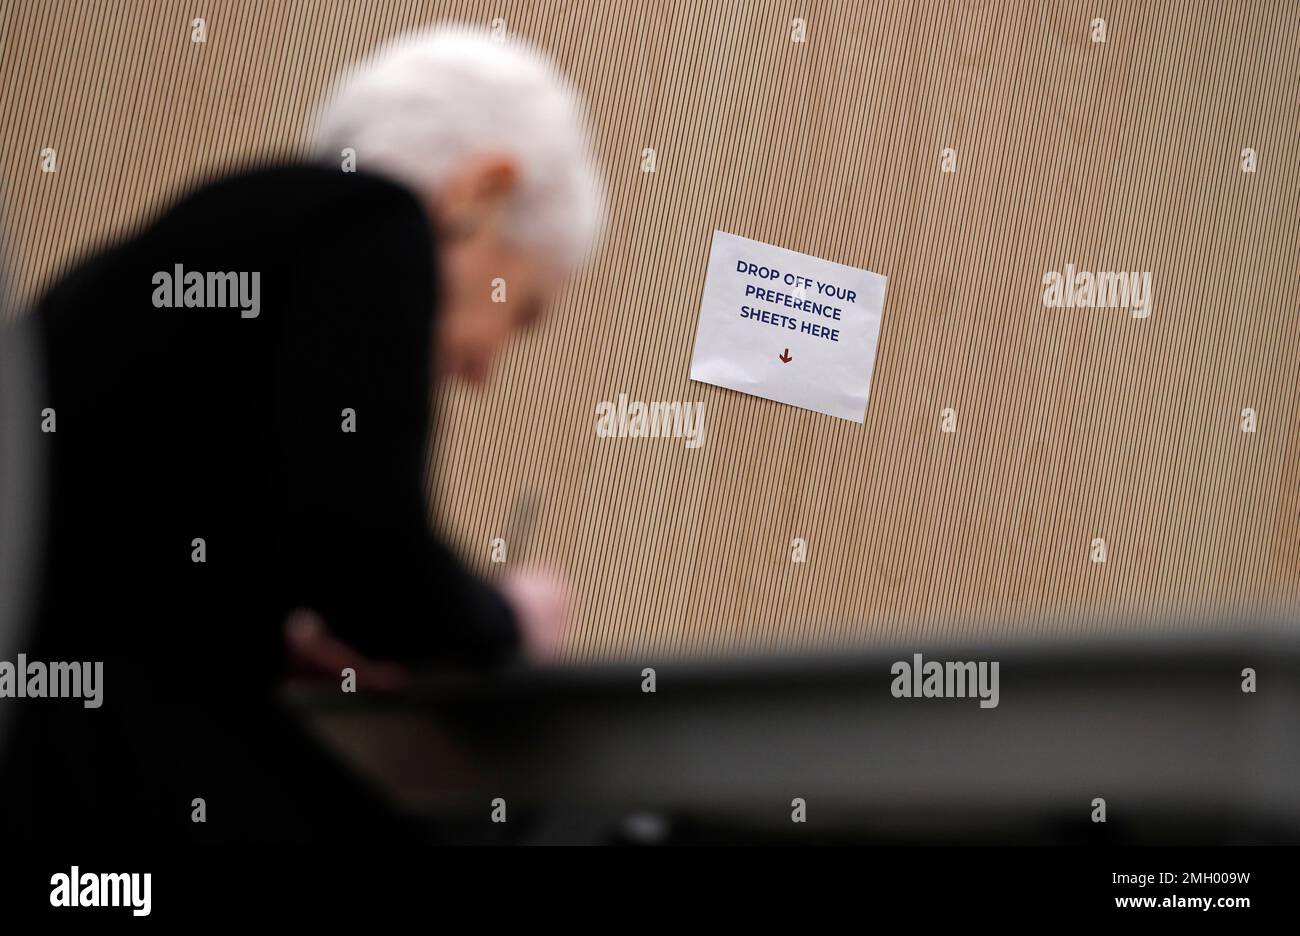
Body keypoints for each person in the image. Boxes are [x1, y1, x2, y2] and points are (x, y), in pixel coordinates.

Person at [0, 25, 603, 842]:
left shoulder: (180, 241)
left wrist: (285, 632)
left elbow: (137, 531)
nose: (485, 368)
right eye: (520, 310)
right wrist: (505, 621)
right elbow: (370, 547)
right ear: (481, 194)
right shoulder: (378, 222)